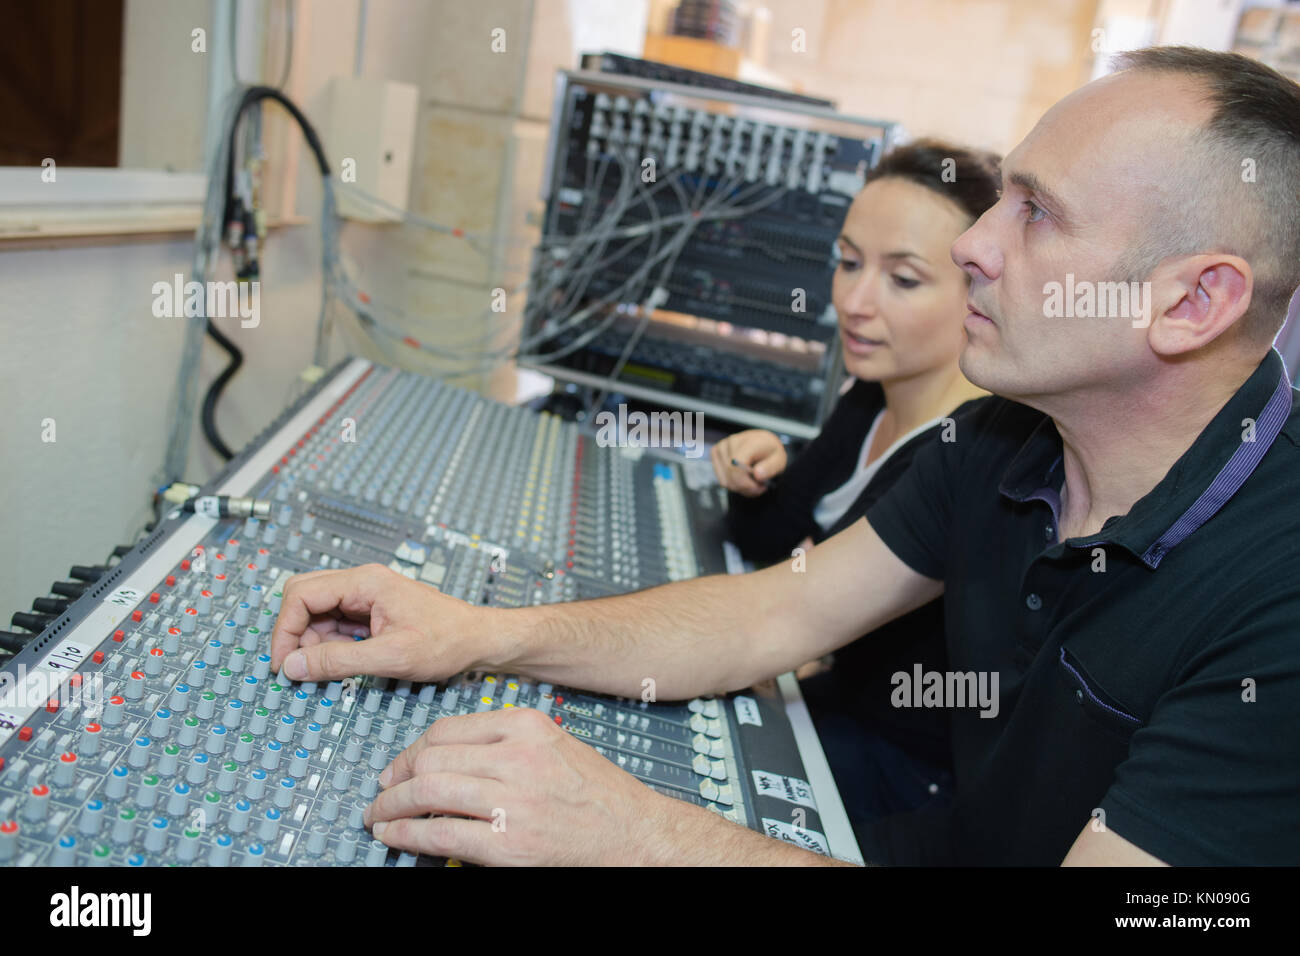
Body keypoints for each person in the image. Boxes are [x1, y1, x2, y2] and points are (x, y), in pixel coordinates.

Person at [271, 47, 1300, 866]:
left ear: (1191, 301)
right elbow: (776, 608)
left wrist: (640, 837)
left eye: (1035, 212)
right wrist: (474, 632)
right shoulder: (999, 437)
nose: (972, 245)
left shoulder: (1280, 604)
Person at [709, 140, 998, 834]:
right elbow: (768, 538)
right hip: (835, 704)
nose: (854, 303)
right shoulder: (871, 394)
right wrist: (755, 479)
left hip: (903, 777)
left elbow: (795, 612)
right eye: (847, 264)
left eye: (902, 279)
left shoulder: (967, 451)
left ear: (978, 292)